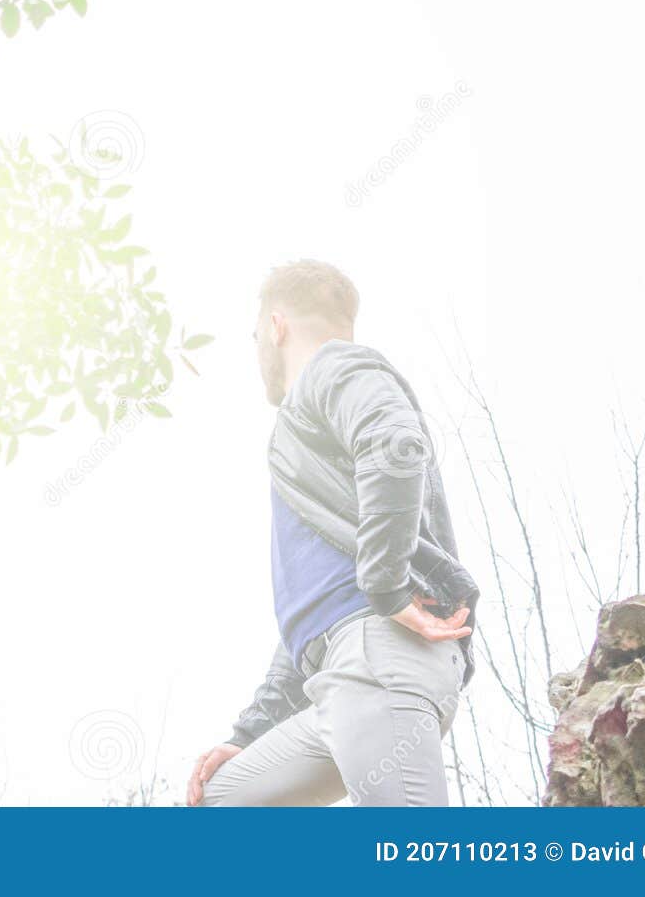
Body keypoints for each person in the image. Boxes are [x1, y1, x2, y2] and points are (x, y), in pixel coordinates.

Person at [187, 260, 479, 807]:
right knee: (220, 804)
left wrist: (387, 586)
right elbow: (317, 606)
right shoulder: (312, 439)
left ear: (276, 326)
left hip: (377, 657)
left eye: (254, 336)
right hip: (341, 675)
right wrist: (250, 734)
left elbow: (396, 443)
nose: (257, 351)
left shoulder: (334, 369)